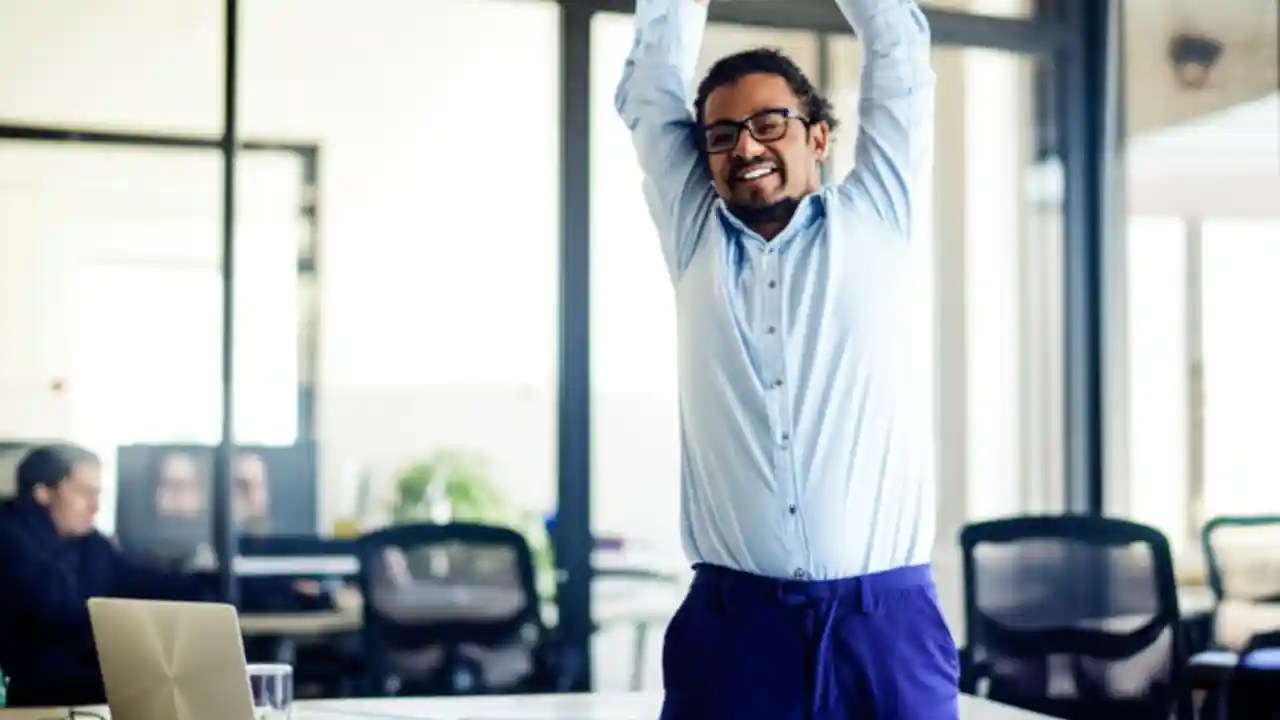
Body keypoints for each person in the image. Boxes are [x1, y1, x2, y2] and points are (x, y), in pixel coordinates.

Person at [616, 0, 954, 717]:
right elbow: (650, 89)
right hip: (734, 633)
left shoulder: (882, 212)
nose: (746, 147)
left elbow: (897, 46)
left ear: (819, 136)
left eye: (769, 124)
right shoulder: (695, 237)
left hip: (882, 629)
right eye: (722, 135)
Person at [0, 444, 208, 707]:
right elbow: (56, 612)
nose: (95, 506)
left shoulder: (88, 543)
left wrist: (209, 586)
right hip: (26, 688)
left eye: (97, 494)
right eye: (84, 493)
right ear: (42, 492)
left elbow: (136, 579)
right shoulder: (7, 538)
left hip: (73, 681)